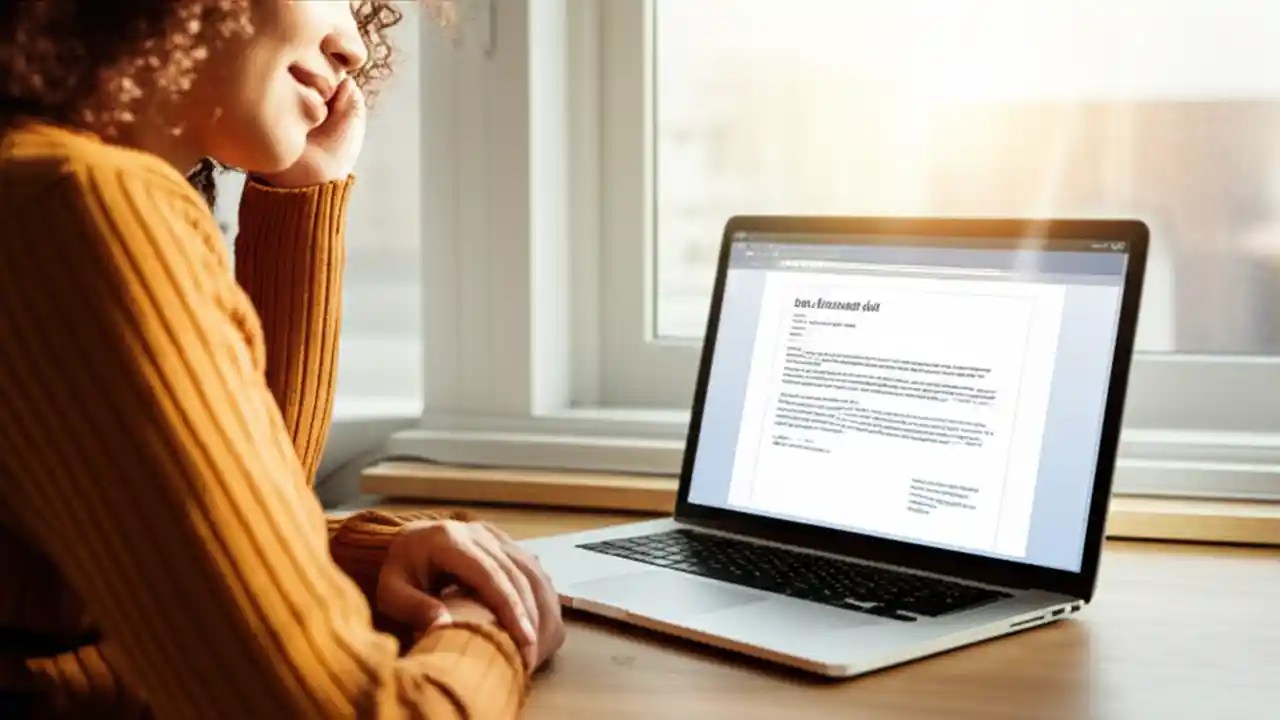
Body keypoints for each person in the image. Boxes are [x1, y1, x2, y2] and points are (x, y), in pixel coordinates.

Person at [0, 1, 564, 717]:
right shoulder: (82, 205)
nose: (356, 47)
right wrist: (486, 625)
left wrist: (369, 555)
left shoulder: (35, 185)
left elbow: (192, 545)